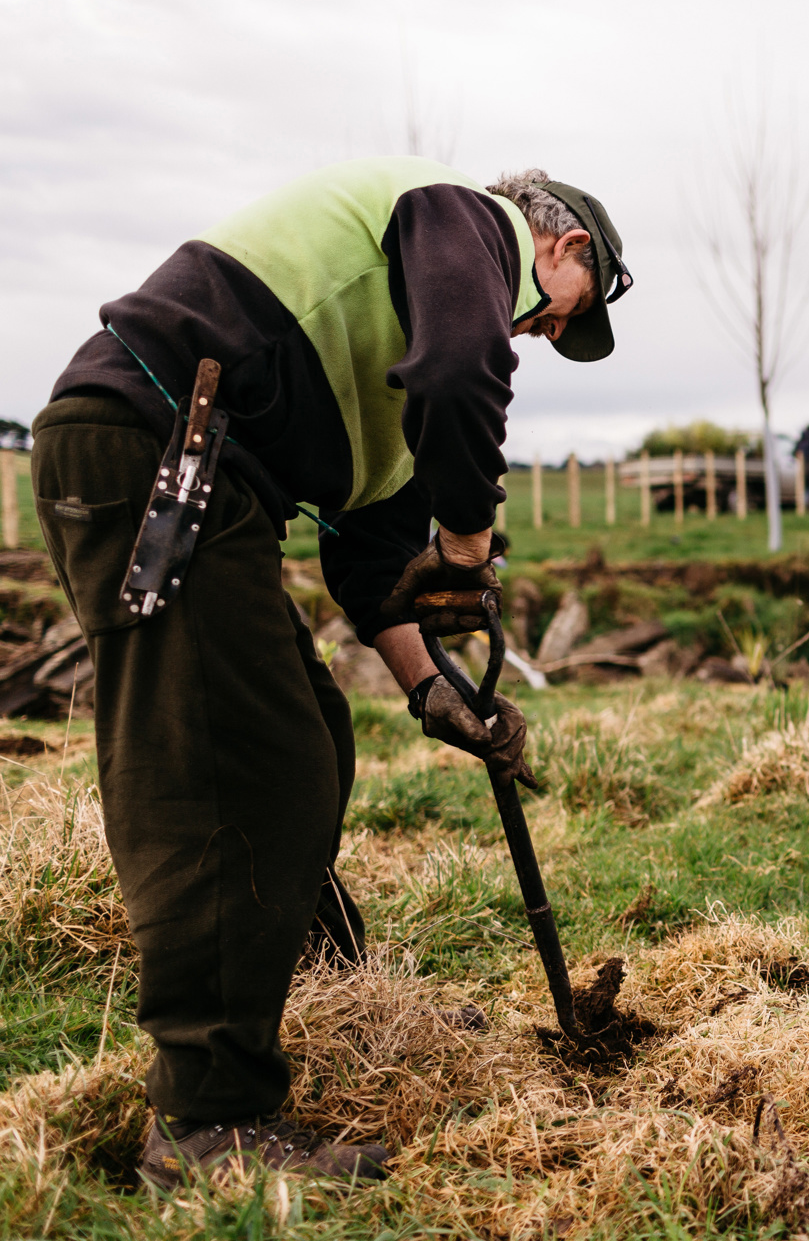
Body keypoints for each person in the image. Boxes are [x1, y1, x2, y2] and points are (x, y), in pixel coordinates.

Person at [32, 159, 627, 1188]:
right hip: (159, 444)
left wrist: (435, 690)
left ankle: (316, 1007)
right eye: (562, 317)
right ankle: (207, 1119)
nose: (544, 335)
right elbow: (459, 375)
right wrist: (473, 544)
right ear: (565, 247)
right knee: (243, 769)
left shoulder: (393, 348)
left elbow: (367, 555)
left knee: (307, 727)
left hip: (197, 461)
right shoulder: (464, 220)